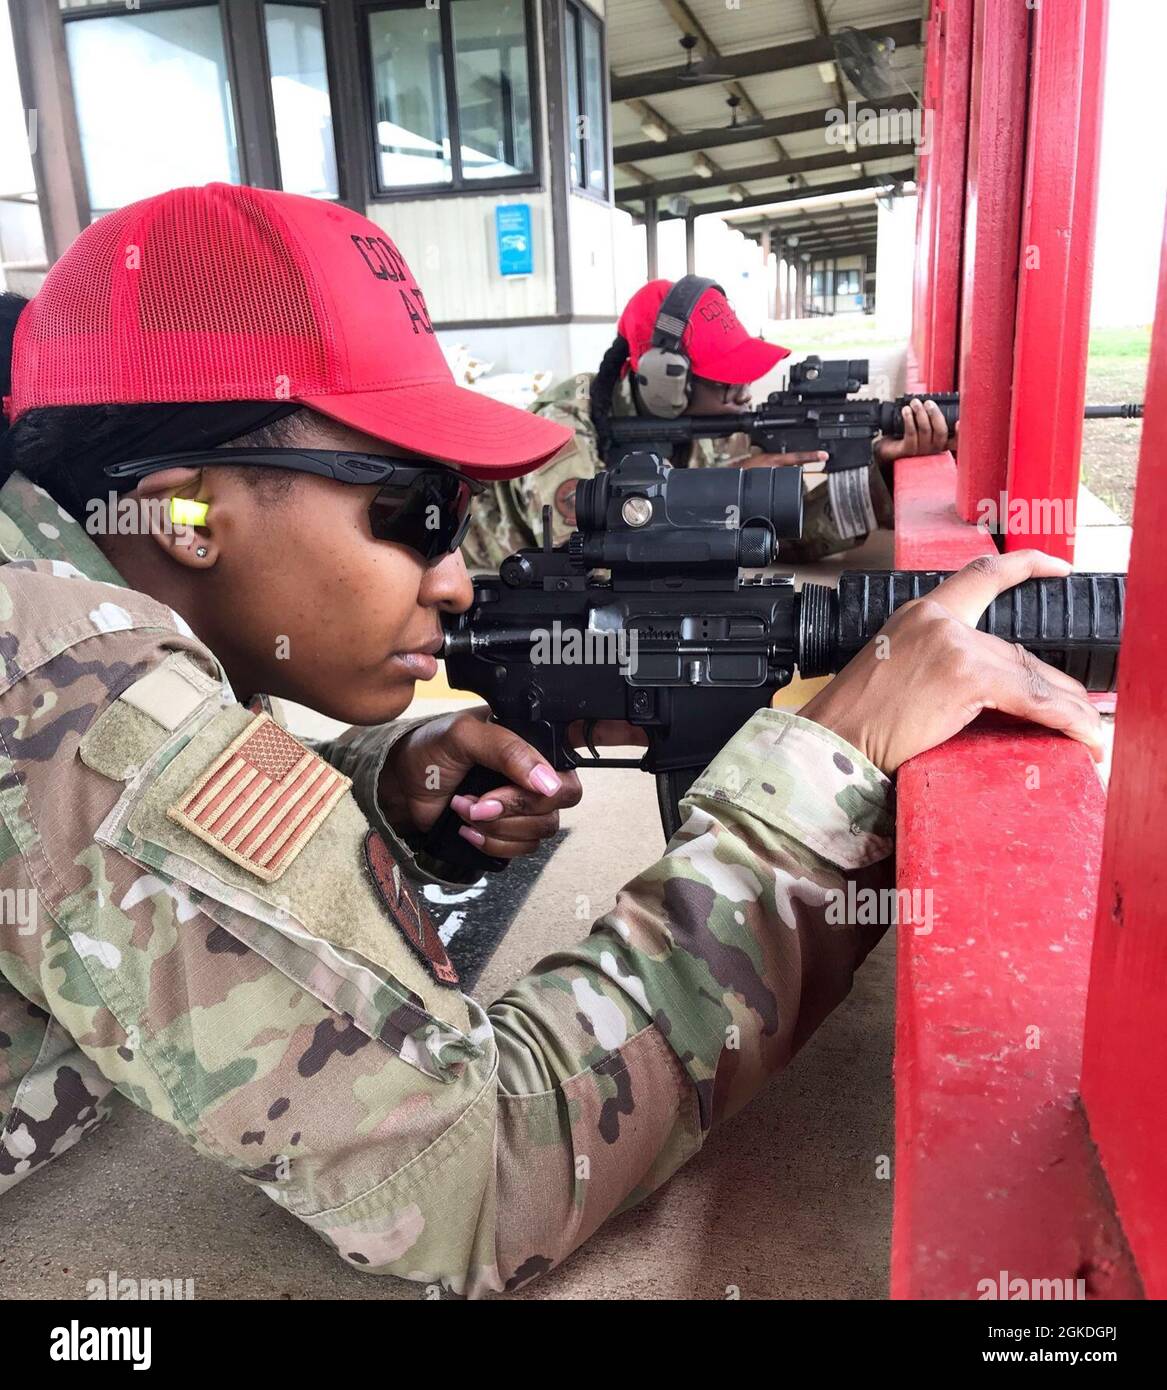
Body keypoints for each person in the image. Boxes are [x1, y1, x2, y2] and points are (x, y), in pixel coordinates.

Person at [0, 184, 1102, 1297]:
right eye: (418, 510)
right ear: (183, 515)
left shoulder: (62, 611)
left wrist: (379, 790)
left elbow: (125, 847)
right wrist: (829, 770)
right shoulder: (72, 686)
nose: (457, 574)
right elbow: (478, 1171)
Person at [461, 276, 952, 570]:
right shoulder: (566, 430)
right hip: (473, 569)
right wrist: (721, 493)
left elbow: (786, 539)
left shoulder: (707, 427)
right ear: (664, 379)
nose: (742, 396)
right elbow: (591, 563)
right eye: (725, 383)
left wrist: (877, 472)